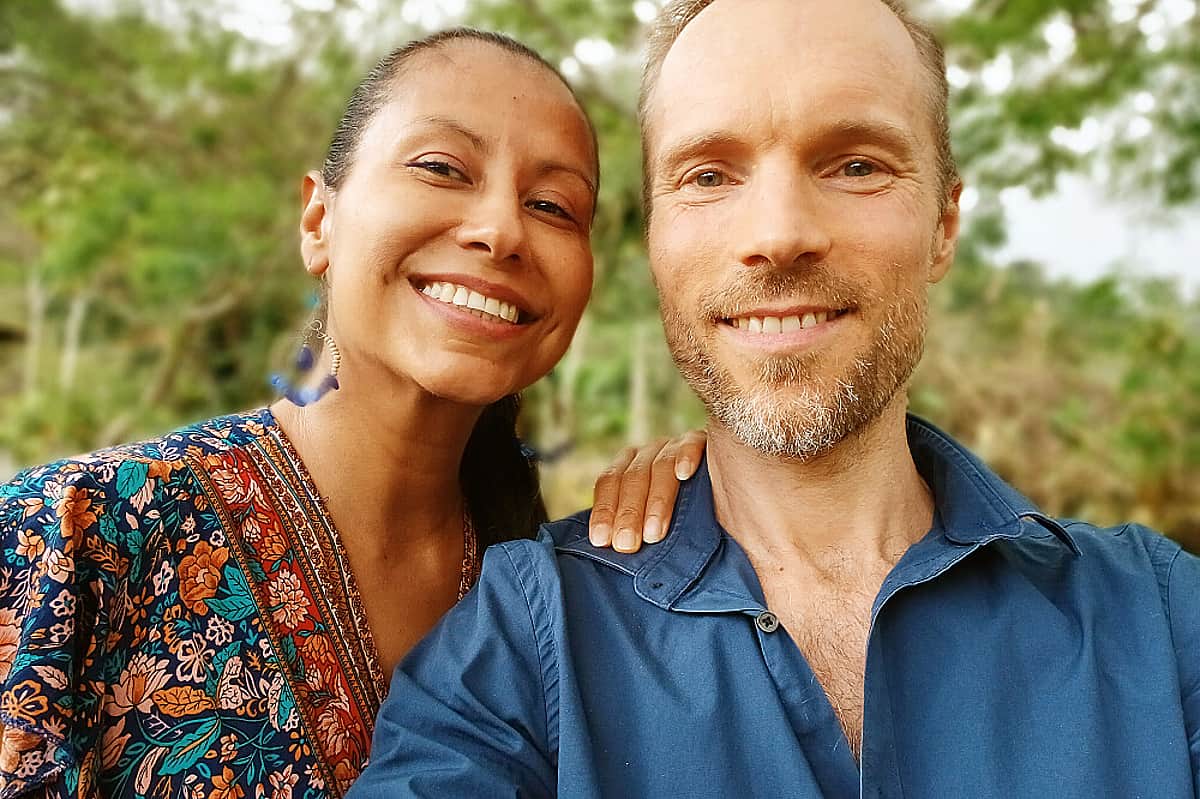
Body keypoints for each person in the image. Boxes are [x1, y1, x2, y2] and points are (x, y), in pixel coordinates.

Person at [350, 1, 1200, 796]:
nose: (778, 234)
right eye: (711, 175)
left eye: (856, 164)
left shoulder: (1161, 617)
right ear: (655, 237)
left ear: (943, 225)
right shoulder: (526, 645)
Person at [0, 28, 705, 798]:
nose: (501, 229)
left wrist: (719, 490)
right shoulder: (67, 537)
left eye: (552, 205)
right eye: (441, 167)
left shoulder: (563, 603)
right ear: (318, 222)